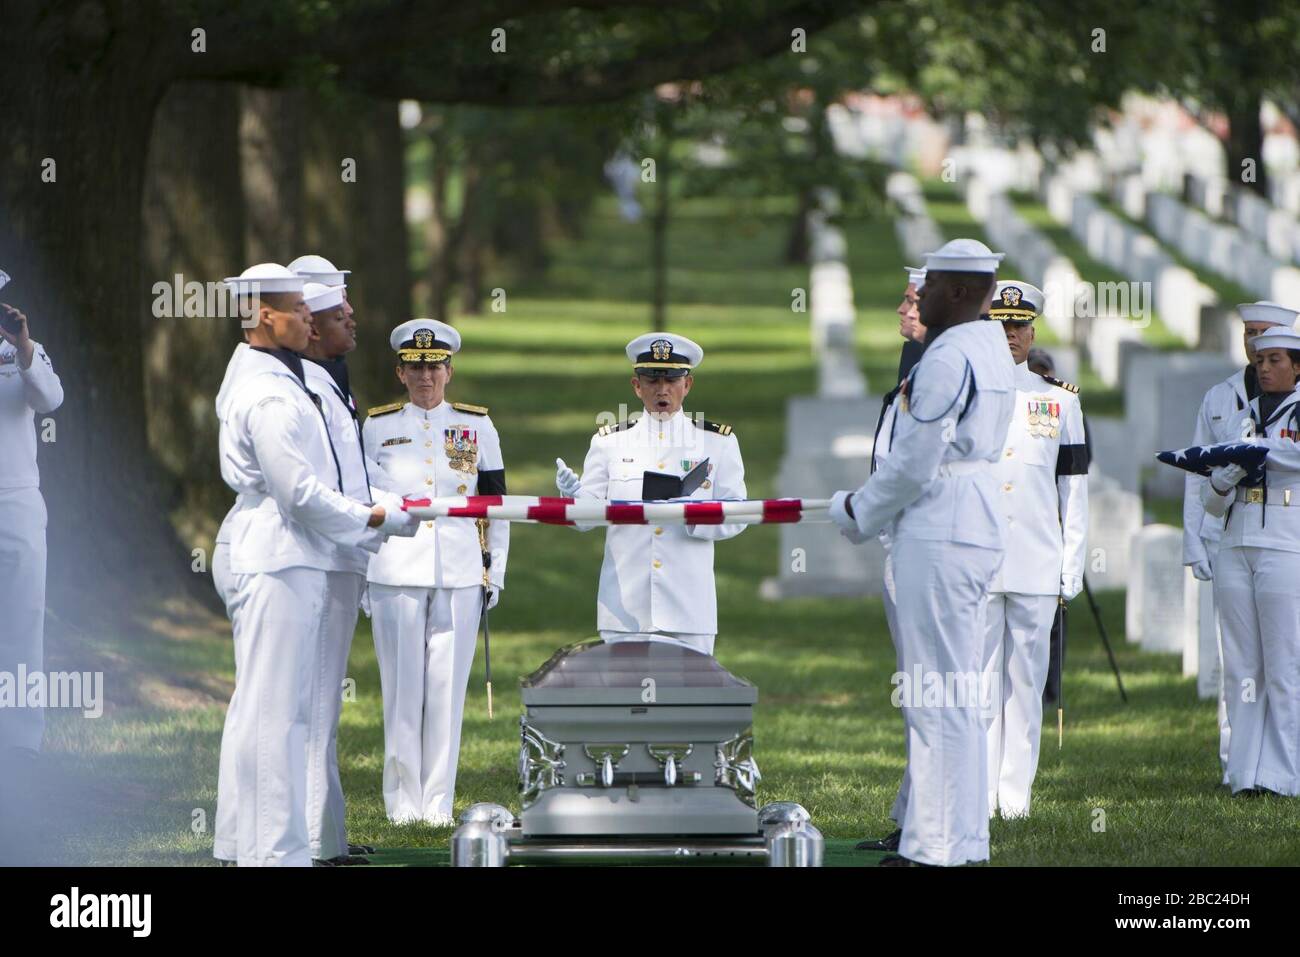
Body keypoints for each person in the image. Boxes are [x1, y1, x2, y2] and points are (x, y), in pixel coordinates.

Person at [216, 263, 415, 866]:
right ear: (266, 316)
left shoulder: (286, 376)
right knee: (277, 714)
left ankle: (264, 847)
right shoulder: (269, 391)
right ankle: (275, 853)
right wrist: (371, 520)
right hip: (279, 555)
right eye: (299, 308)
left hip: (295, 551)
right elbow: (297, 491)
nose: (311, 317)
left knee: (279, 710)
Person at [829, 238, 1015, 866]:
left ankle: (930, 847)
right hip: (973, 518)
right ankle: (963, 842)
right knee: (957, 693)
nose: (919, 294)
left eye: (930, 284)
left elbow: (913, 463)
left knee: (931, 693)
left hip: (939, 523)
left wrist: (857, 512)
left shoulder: (946, 357)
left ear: (961, 291)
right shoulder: (989, 347)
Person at [363, 319, 509, 826]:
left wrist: (495, 571)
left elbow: (495, 505)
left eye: (435, 367)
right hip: (395, 569)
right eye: (415, 368)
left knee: (446, 691)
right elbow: (362, 504)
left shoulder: (478, 425)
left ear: (449, 370)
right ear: (400, 373)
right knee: (402, 687)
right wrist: (364, 574)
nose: (426, 377)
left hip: (461, 568)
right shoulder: (377, 426)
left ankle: (438, 803)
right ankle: (403, 804)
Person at [555, 333, 746, 656]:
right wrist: (572, 499)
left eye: (672, 379)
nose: (662, 389)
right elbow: (586, 519)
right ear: (636, 386)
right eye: (652, 379)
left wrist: (694, 515)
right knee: (624, 702)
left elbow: (738, 515)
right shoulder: (609, 443)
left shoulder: (717, 443)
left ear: (687, 385)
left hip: (689, 606)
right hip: (625, 606)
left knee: (689, 703)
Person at [981, 280, 1088, 819]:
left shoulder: (1059, 400)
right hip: (976, 563)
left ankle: (1014, 800)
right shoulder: (965, 393)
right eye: (1000, 325)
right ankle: (977, 795)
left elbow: (1073, 488)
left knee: (1024, 685)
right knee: (977, 685)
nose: (1010, 336)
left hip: (1036, 560)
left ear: (1032, 332)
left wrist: (1071, 566)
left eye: (1019, 326)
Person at [1183, 300, 1298, 785]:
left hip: (1286, 545)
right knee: (1242, 668)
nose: (1263, 364)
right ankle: (1243, 772)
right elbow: (1209, 498)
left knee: (1284, 665)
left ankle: (1286, 772)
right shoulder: (1238, 414)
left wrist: (1260, 454)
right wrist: (1224, 477)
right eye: (1259, 358)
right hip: (1236, 542)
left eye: (1275, 359)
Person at [856, 265, 927, 853]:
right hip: (901, 544)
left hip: (927, 549)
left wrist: (856, 510)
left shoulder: (943, 373)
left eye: (911, 302)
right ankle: (913, 815)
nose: (902, 312)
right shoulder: (915, 366)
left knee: (932, 688)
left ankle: (927, 824)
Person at [0, 293, 64, 799]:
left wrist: (23, 347)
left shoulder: (18, 349)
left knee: (23, 621)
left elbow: (51, 399)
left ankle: (21, 743)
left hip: (16, 498)